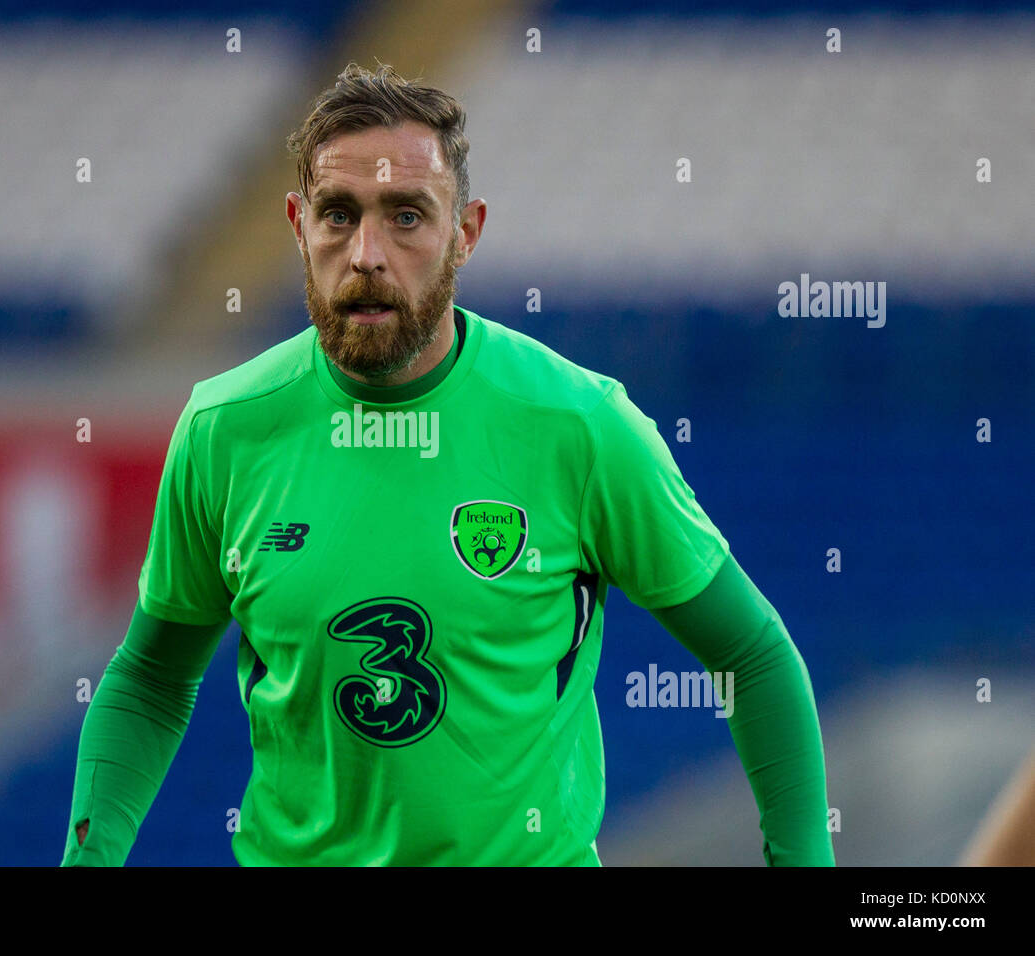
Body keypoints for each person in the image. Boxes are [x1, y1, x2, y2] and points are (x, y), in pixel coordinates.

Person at [61, 61, 835, 867]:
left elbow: (751, 654)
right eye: (338, 214)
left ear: (465, 233)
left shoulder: (578, 426)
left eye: (405, 216)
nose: (366, 253)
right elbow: (151, 678)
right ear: (297, 225)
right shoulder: (226, 428)